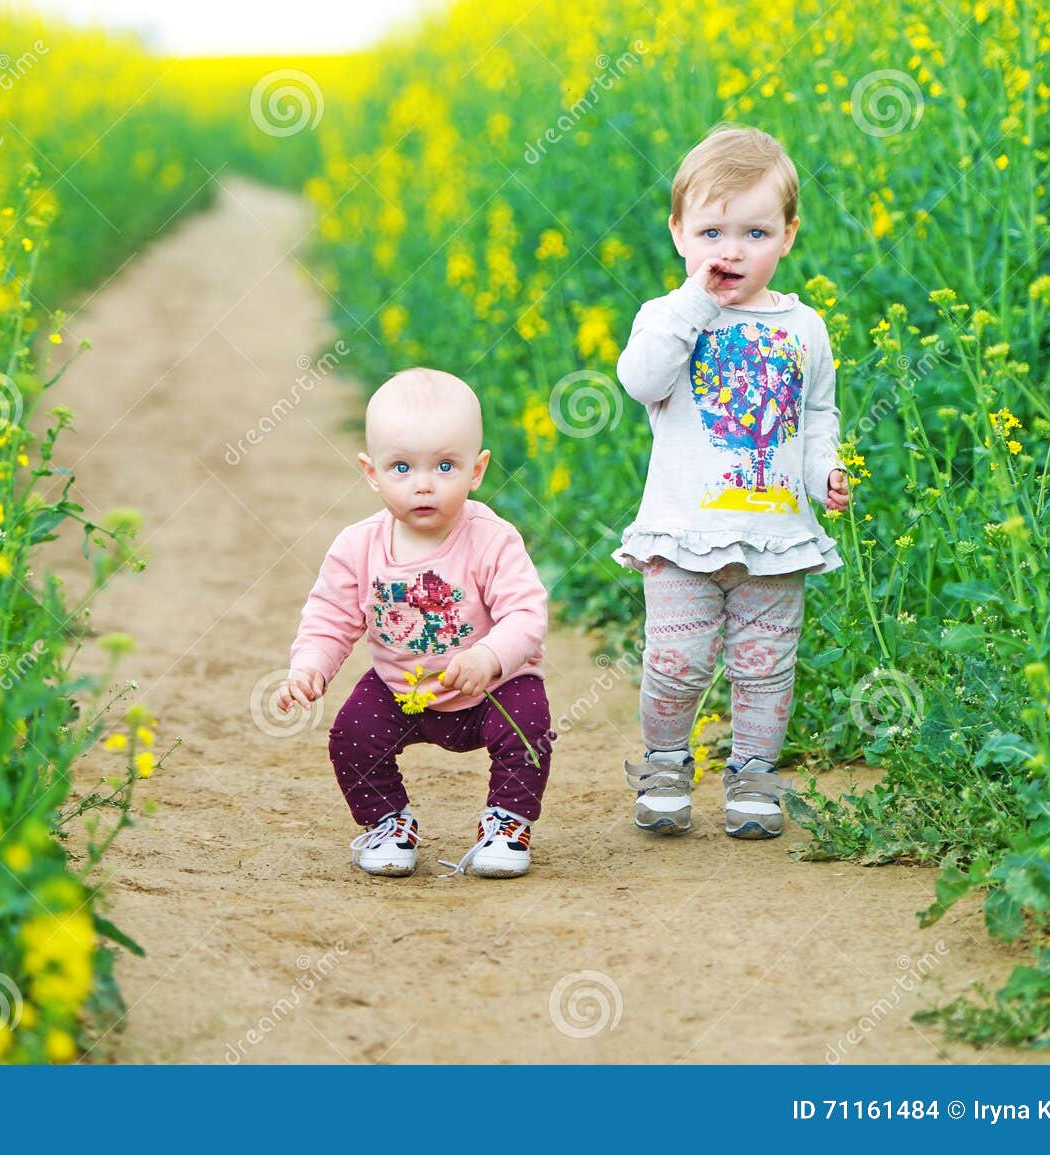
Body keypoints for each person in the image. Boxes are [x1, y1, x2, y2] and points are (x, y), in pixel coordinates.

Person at [613, 123, 851, 840]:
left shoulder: (805, 326)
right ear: (679, 232)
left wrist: (825, 472)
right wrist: (696, 302)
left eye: (755, 231)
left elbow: (815, 416)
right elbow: (640, 379)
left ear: (788, 236)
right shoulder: (668, 316)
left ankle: (752, 772)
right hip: (682, 534)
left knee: (766, 667)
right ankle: (663, 760)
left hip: (776, 536)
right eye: (712, 231)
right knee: (677, 660)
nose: (732, 250)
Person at [277, 367, 554, 877]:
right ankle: (387, 822)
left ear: (477, 469)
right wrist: (310, 665)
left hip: (489, 687)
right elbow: (331, 616)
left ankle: (508, 823)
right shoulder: (358, 546)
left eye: (445, 466)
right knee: (352, 736)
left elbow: (526, 612)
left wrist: (490, 656)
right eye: (401, 468)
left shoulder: (492, 538)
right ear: (371, 472)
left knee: (529, 724)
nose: (423, 485)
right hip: (401, 687)